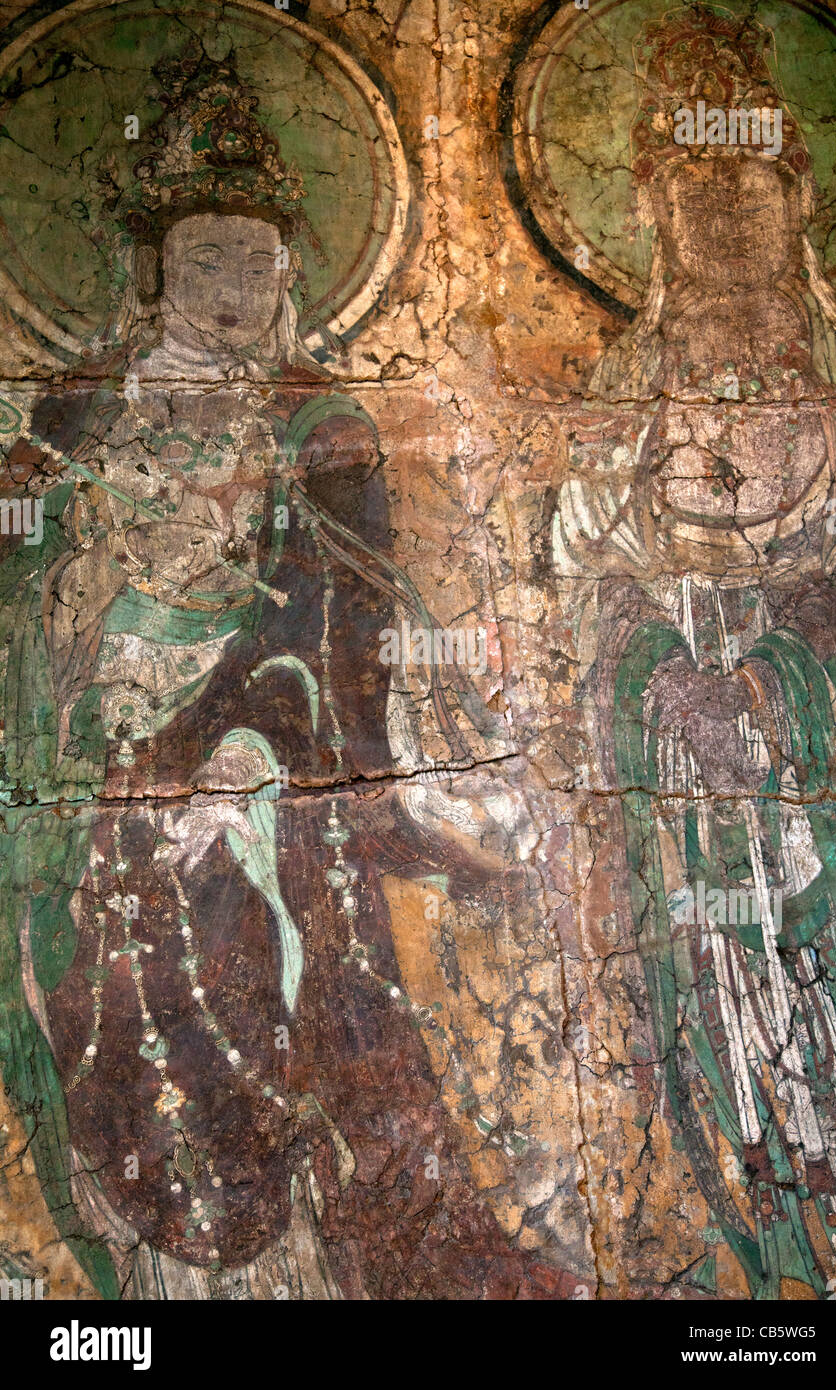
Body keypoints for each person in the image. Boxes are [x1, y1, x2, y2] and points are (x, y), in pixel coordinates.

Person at [0, 53, 573, 1300]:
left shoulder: (320, 425)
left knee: (280, 999)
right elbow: (16, 566)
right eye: (205, 254)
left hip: (259, 775)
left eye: (258, 258)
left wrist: (249, 749)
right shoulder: (79, 412)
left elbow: (348, 618)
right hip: (89, 768)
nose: (235, 283)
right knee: (102, 1007)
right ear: (154, 264)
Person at [552, 2, 836, 1297]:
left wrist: (779, 678)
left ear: (796, 200)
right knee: (725, 1038)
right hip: (682, 792)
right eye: (696, 190)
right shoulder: (622, 390)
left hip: (828, 778)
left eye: (749, 184)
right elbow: (576, 583)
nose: (724, 216)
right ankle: (762, 1248)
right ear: (652, 213)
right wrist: (667, 678)